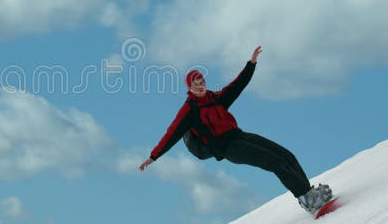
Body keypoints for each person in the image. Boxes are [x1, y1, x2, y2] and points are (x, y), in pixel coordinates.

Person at [138, 46, 332, 215]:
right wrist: (153, 156)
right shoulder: (189, 110)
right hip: (228, 149)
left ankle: (309, 194)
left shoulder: (215, 98)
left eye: (202, 82)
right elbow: (171, 133)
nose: (200, 86)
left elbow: (237, 85)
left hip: (239, 136)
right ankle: (307, 200)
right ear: (190, 87)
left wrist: (251, 64)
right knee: (273, 161)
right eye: (195, 84)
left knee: (286, 155)